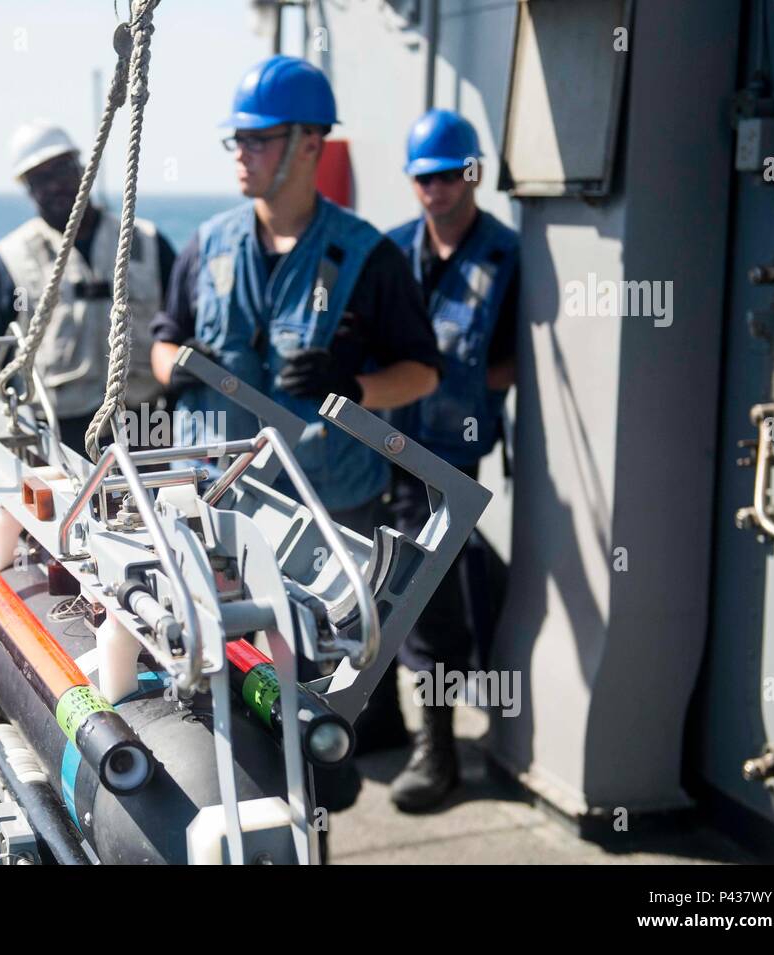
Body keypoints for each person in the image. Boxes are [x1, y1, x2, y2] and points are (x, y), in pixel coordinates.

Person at [150, 56, 441, 538]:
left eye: (258, 140)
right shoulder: (207, 244)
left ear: (310, 143)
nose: (242, 153)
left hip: (328, 513)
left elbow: (424, 373)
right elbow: (164, 339)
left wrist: (357, 389)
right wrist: (174, 366)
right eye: (237, 140)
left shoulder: (368, 256)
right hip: (215, 495)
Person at [379, 108, 520, 812]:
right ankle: (380, 714)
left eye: (449, 175)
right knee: (377, 576)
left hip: (450, 459)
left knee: (425, 593)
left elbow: (513, 359)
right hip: (381, 445)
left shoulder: (506, 257)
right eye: (423, 177)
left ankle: (439, 752)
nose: (436, 189)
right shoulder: (391, 251)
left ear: (475, 175)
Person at [0, 121, 177, 453]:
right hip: (58, 427)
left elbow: (179, 326)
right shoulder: (9, 260)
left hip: (144, 418)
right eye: (41, 178)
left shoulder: (147, 243)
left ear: (82, 168)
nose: (56, 185)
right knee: (72, 505)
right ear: (28, 187)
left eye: (62, 169)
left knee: (153, 501)